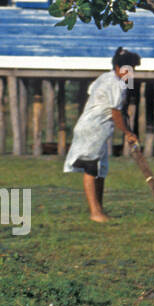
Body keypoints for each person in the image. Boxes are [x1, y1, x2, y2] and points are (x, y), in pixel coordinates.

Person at [62, 47, 140, 222]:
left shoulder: (107, 77)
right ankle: (94, 212)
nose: (132, 73)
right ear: (119, 68)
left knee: (100, 170)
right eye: (130, 69)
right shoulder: (115, 84)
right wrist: (127, 133)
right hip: (93, 128)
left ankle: (100, 209)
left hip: (99, 129)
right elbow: (116, 113)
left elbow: (115, 106)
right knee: (91, 167)